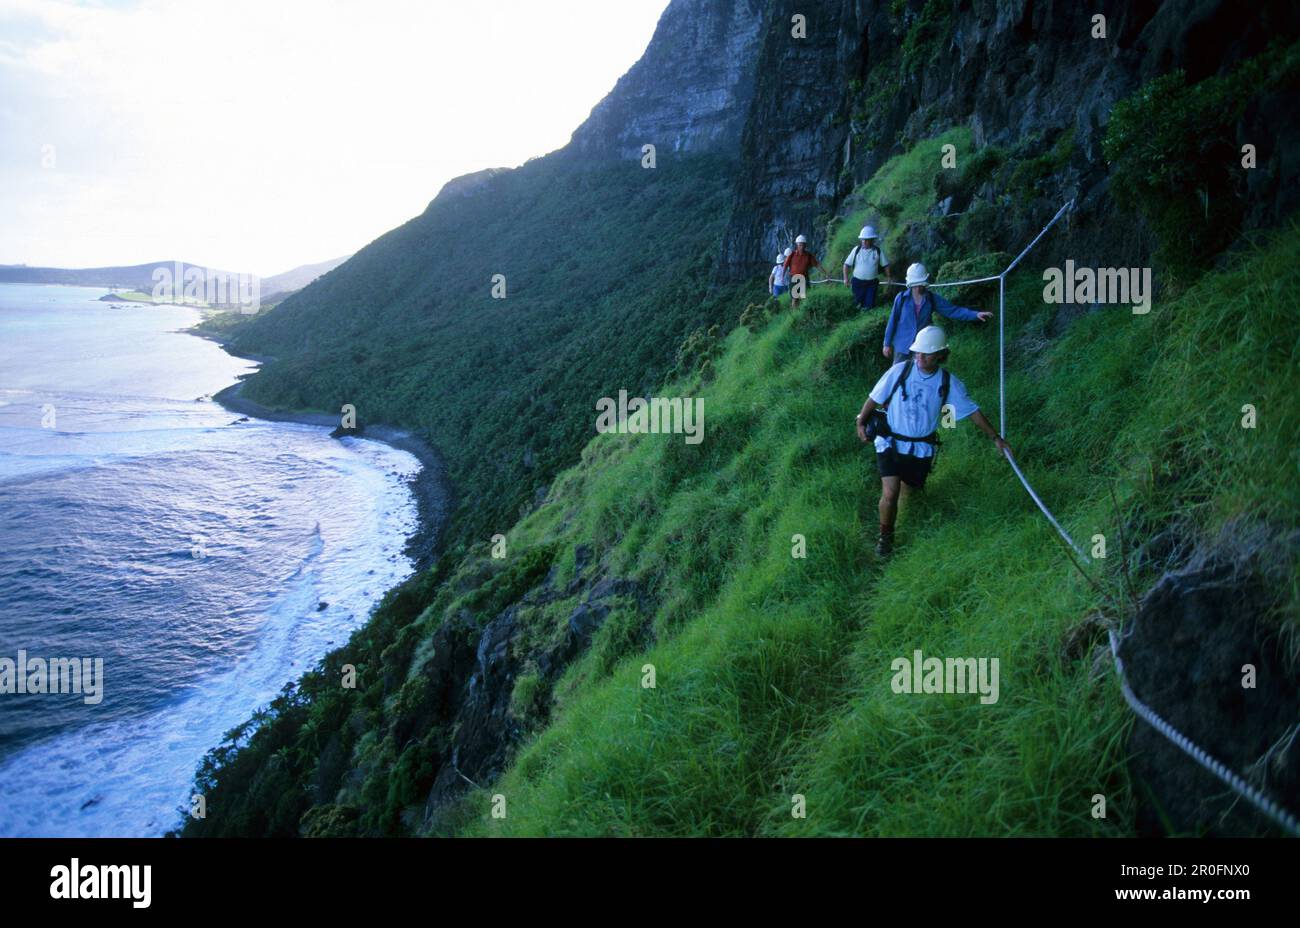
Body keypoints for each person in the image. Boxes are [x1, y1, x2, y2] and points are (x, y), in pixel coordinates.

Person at [854, 325, 1009, 557]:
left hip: (921, 449)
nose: (920, 357)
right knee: (890, 492)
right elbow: (874, 397)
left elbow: (973, 412)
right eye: (918, 352)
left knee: (911, 489)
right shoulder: (900, 371)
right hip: (889, 442)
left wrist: (996, 438)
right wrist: (860, 422)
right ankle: (885, 537)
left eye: (926, 353)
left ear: (940, 355)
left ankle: (904, 510)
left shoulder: (948, 382)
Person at [882, 262, 993, 362]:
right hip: (902, 346)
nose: (919, 288)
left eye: (921, 284)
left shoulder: (931, 299)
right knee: (897, 376)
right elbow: (893, 321)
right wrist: (886, 344)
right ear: (910, 284)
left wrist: (975, 314)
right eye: (916, 284)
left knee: (918, 376)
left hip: (922, 346)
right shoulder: (901, 298)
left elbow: (953, 310)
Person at [842, 226, 891, 310]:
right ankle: (858, 318)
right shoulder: (856, 250)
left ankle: (868, 316)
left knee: (870, 304)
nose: (864, 241)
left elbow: (885, 265)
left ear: (872, 240)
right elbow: (846, 265)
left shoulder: (877, 251)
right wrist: (845, 278)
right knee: (857, 303)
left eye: (866, 239)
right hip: (857, 282)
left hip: (872, 283)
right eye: (862, 239)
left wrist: (889, 277)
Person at [782, 235, 827, 310]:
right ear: (797, 245)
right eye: (800, 245)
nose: (801, 247)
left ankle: (802, 312)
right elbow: (785, 265)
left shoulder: (809, 256)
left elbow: (817, 265)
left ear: (805, 245)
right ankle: (794, 314)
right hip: (794, 278)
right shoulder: (792, 255)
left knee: (803, 297)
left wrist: (825, 273)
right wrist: (782, 277)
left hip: (803, 277)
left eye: (803, 245)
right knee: (795, 298)